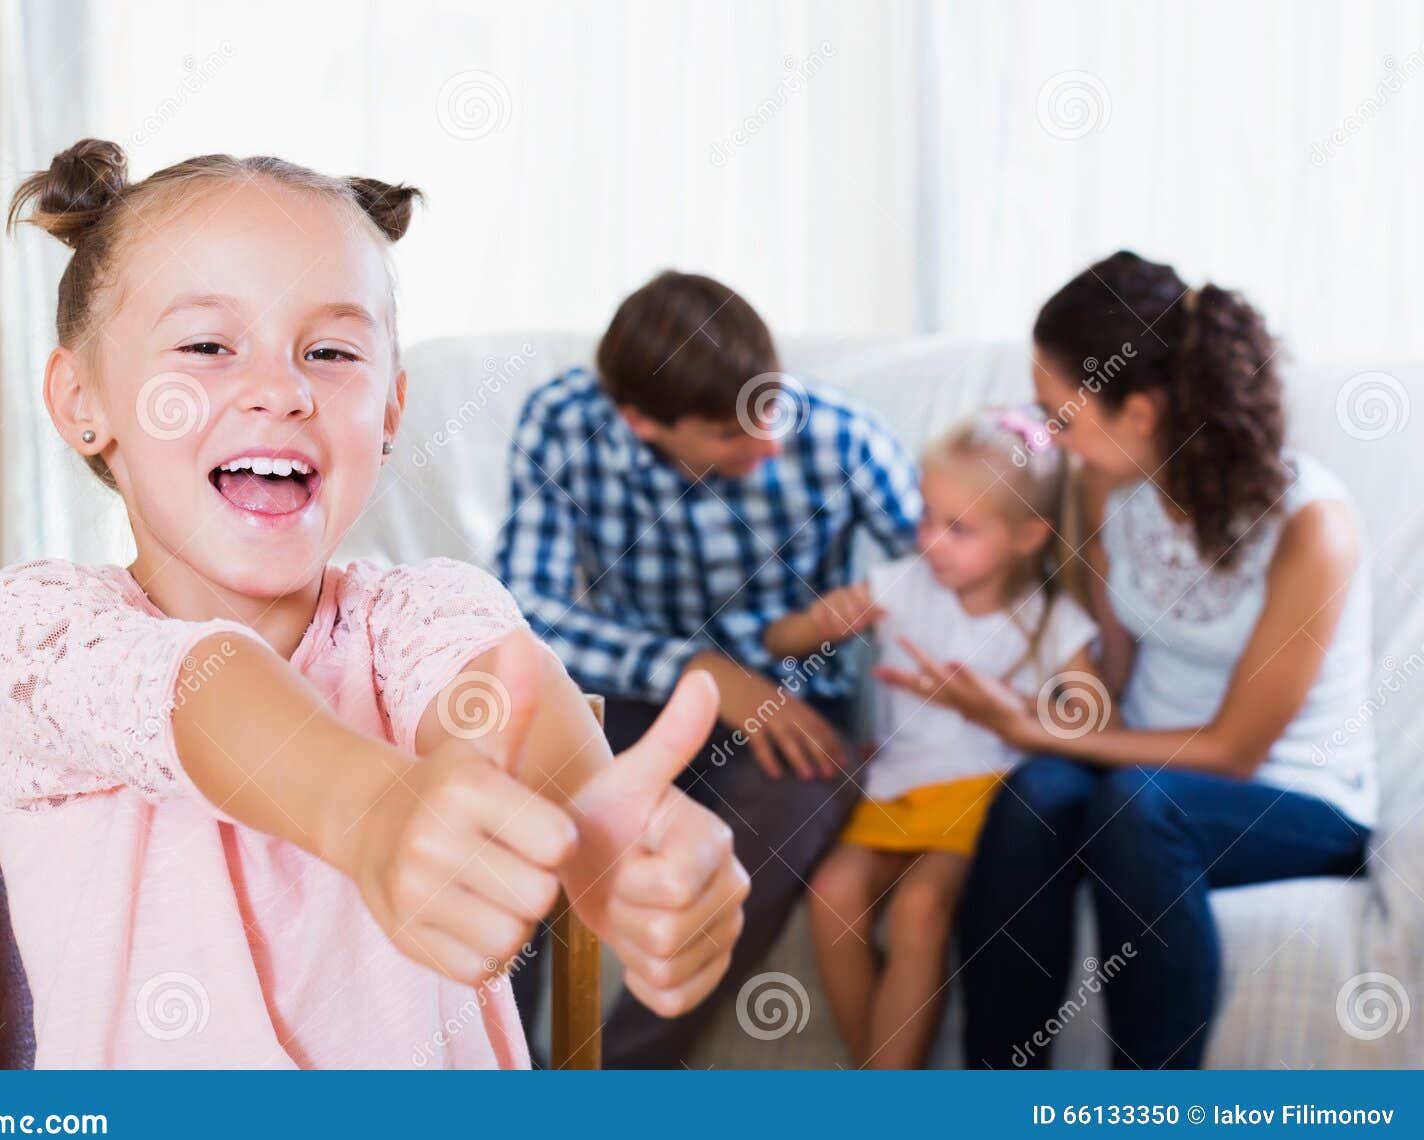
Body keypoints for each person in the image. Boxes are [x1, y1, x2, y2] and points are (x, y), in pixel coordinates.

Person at [0, 140, 747, 1068]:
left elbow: (500, 692)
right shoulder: (34, 628)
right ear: (82, 399)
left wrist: (595, 822)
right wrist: (374, 812)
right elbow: (201, 686)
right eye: (209, 346)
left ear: (391, 411)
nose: (281, 392)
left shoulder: (416, 612)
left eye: (330, 352)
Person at [883, 251, 1376, 1069]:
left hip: (1295, 797)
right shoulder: (1115, 493)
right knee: (1035, 793)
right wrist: (1028, 698)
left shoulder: (1309, 528)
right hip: (1138, 777)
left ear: (1140, 410)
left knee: (1134, 810)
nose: (1051, 439)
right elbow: (1111, 677)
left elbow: (1233, 751)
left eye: (1062, 417)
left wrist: (1035, 729)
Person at [495, 271, 922, 1066]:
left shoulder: (841, 438)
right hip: (632, 700)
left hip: (789, 720)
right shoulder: (563, 424)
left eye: (767, 406)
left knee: (802, 786)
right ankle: (492, 1071)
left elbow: (947, 571)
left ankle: (611, 1088)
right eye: (730, 435)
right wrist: (704, 672)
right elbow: (527, 611)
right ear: (641, 423)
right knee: (519, 770)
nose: (767, 443)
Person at [769, 408, 1098, 1067]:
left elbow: (1090, 724)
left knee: (921, 910)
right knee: (832, 894)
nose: (930, 541)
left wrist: (1014, 704)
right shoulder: (902, 584)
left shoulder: (1053, 619)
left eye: (959, 529)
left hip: (982, 804)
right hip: (891, 795)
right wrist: (822, 623)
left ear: (1029, 536)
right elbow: (780, 639)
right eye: (927, 518)